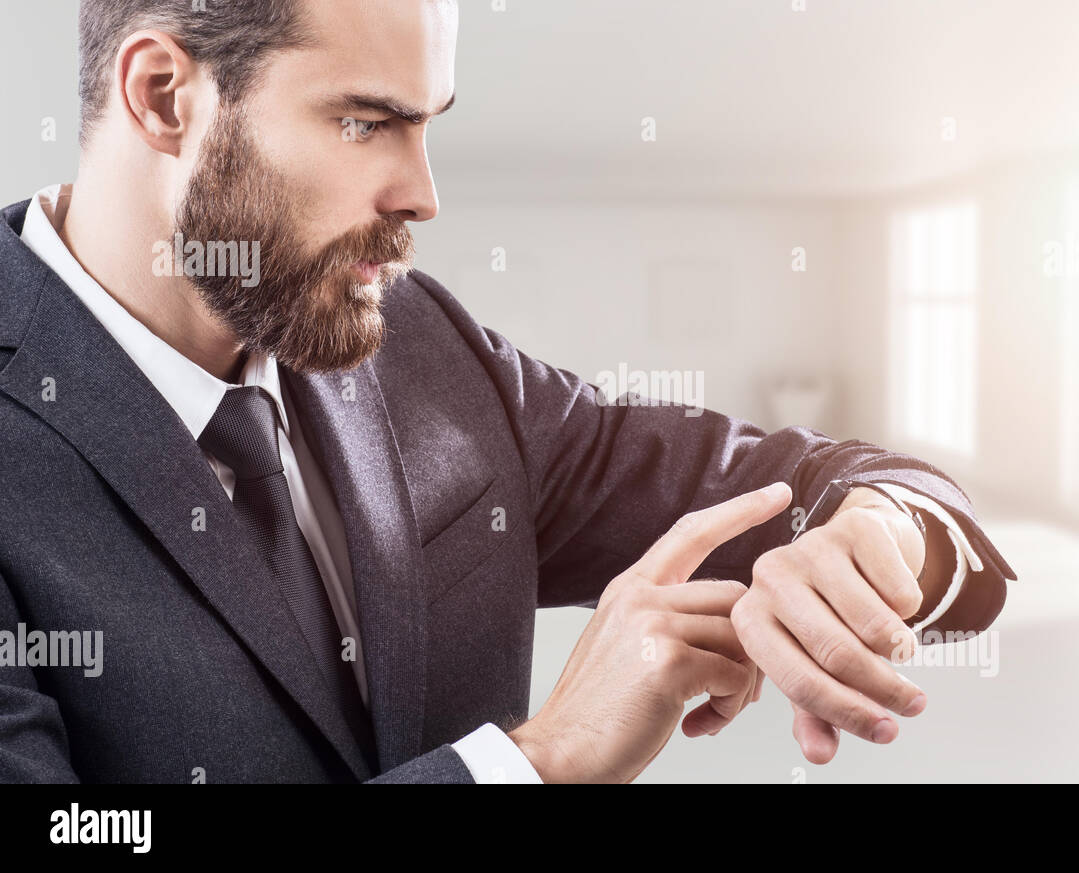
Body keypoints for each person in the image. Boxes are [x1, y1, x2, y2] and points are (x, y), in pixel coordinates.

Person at [0, 0, 1015, 783]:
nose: (423, 196)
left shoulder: (421, 345)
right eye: (364, 123)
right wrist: (542, 761)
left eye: (427, 125)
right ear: (164, 95)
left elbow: (826, 479)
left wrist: (873, 540)